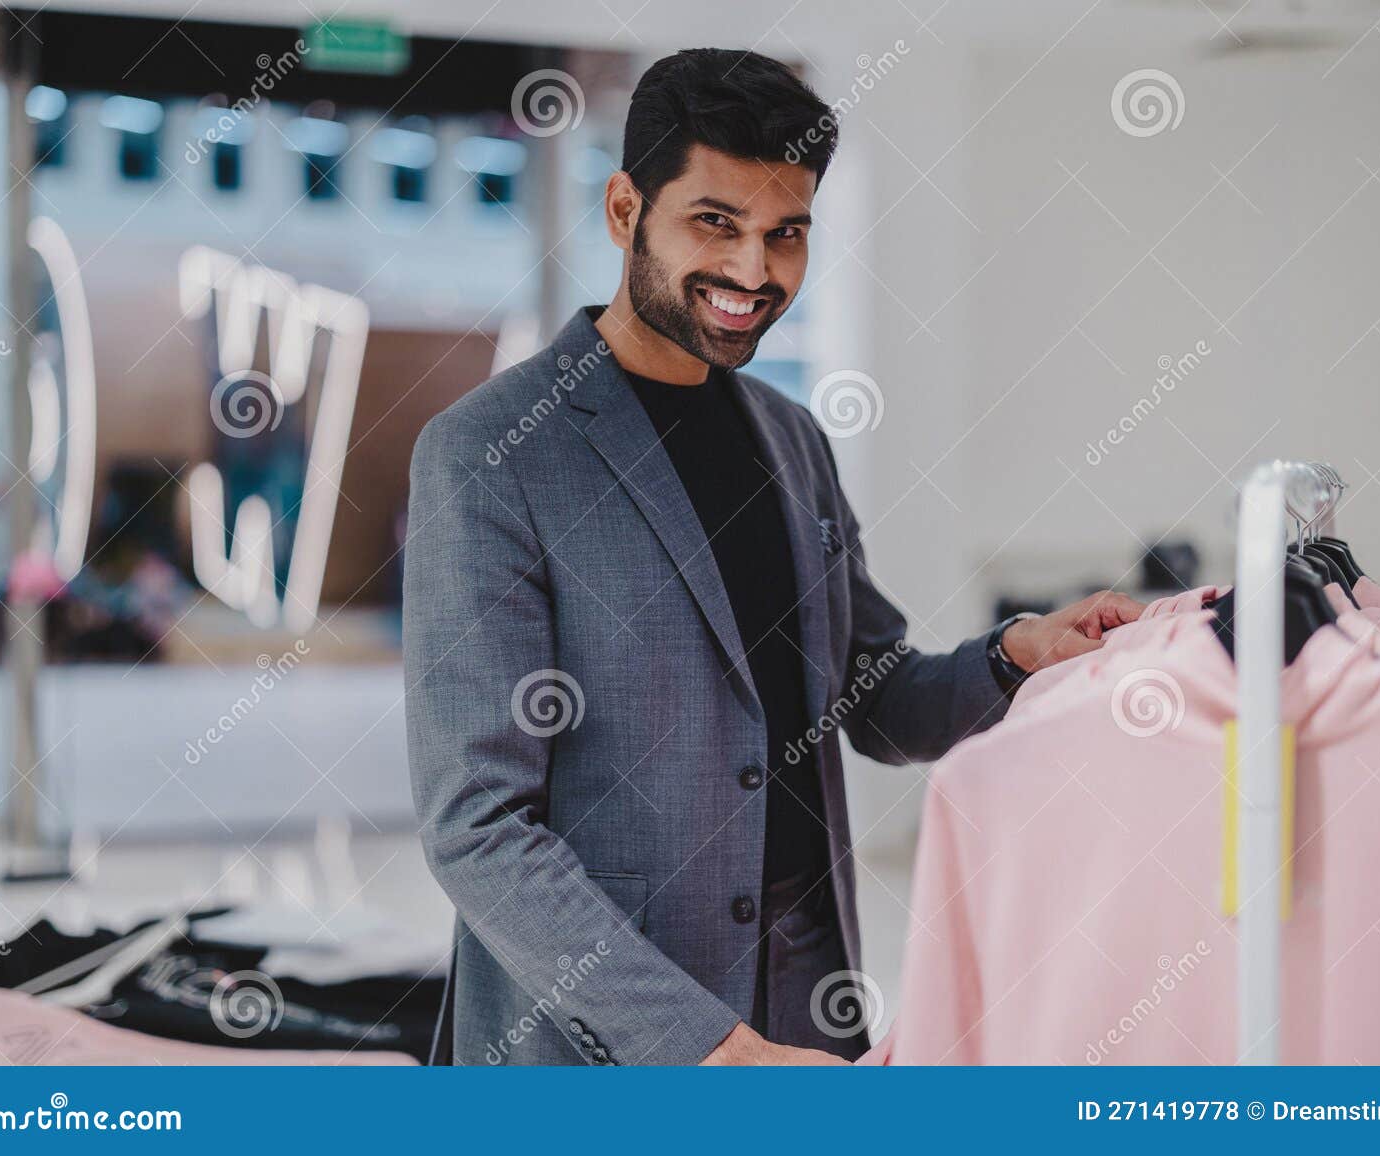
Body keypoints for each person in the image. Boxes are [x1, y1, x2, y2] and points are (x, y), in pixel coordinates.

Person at [404, 47, 1142, 1066]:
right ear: (625, 211)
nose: (754, 273)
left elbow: (871, 698)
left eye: (784, 234)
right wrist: (710, 1047)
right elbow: (477, 828)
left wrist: (1015, 652)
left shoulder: (791, 438)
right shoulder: (491, 452)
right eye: (716, 224)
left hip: (803, 1001)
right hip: (597, 1043)